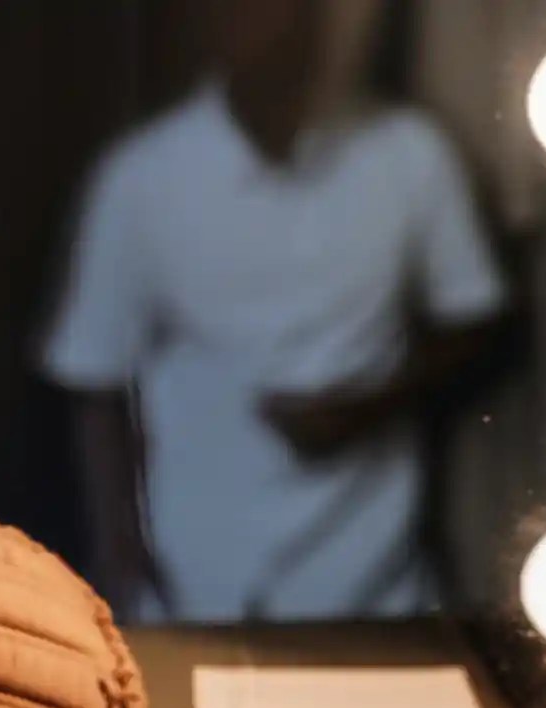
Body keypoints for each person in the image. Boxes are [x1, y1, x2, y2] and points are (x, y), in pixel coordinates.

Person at [42, 0, 505, 622]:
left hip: (377, 594)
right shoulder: (142, 178)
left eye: (293, 12)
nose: (270, 28)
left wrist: (371, 405)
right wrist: (118, 553)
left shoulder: (410, 155)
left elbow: (476, 318)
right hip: (195, 594)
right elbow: (94, 377)